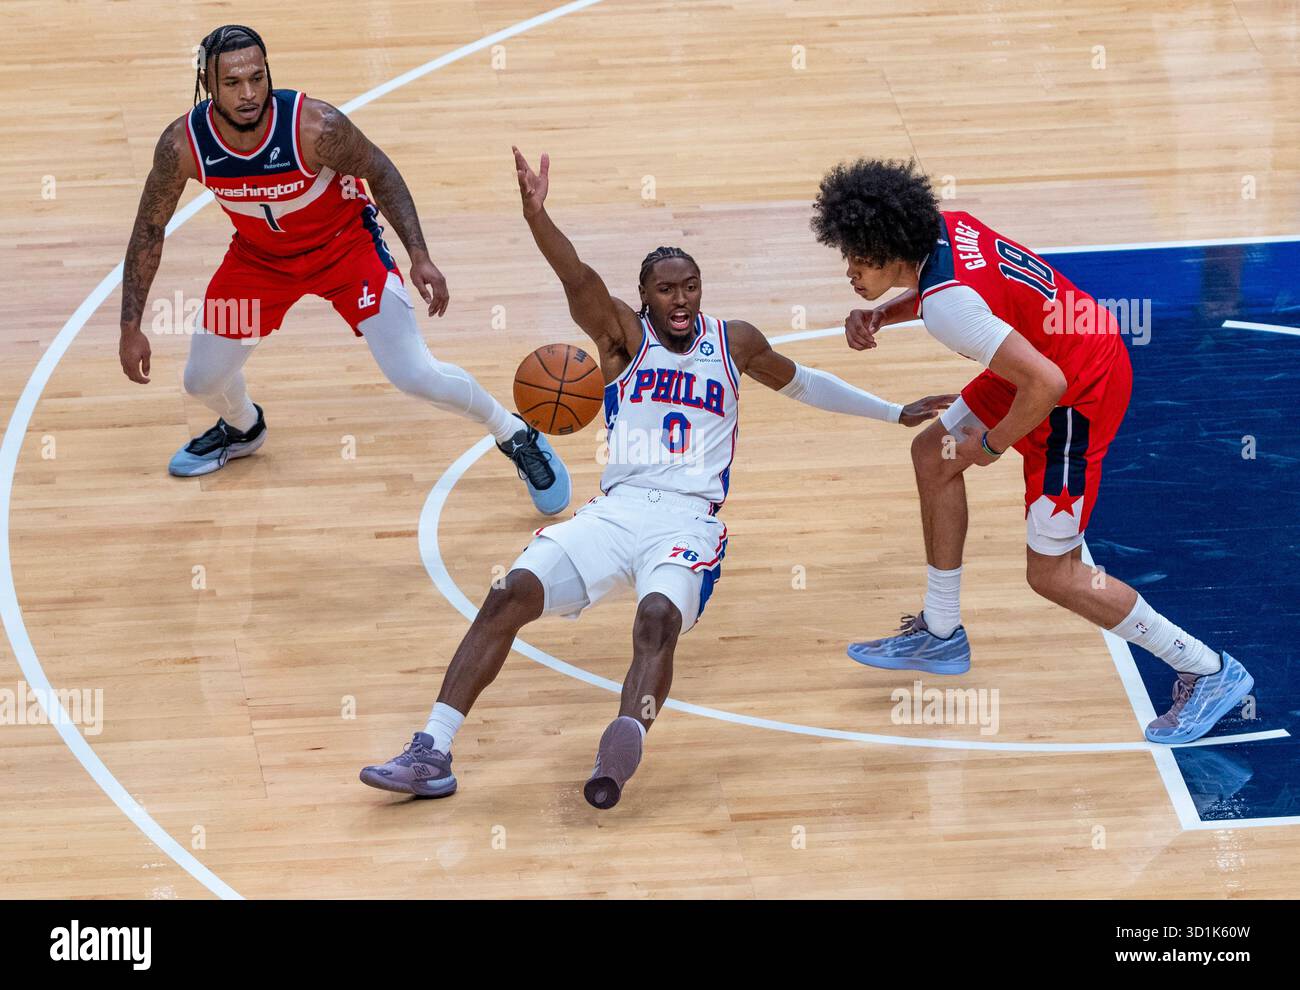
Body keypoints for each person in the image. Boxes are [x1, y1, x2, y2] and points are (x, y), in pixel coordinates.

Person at [359, 149, 954, 808]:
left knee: (657, 622)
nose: (681, 299)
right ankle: (431, 750)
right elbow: (573, 273)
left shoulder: (734, 342)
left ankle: (622, 740)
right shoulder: (622, 338)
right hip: (614, 514)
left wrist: (892, 410)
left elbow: (805, 384)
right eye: (667, 289)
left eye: (691, 286)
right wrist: (537, 214)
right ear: (645, 296)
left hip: (687, 521)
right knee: (508, 596)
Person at [810, 157, 1253, 744]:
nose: (849, 269)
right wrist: (882, 313)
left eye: (859, 258)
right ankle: (941, 632)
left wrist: (990, 446)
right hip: (1041, 355)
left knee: (1053, 574)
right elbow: (972, 302)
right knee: (932, 454)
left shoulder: (948, 307)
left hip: (1076, 394)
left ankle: (1207, 670)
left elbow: (1045, 384)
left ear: (894, 247)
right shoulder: (943, 226)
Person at [117, 24, 568, 513]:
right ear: (207, 83)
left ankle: (514, 433)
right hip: (260, 261)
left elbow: (380, 171)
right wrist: (130, 325)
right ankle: (243, 428)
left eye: (258, 77)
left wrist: (418, 254)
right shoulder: (181, 145)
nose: (249, 94)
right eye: (233, 83)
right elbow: (148, 230)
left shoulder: (316, 128)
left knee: (413, 373)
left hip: (345, 250)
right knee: (201, 381)